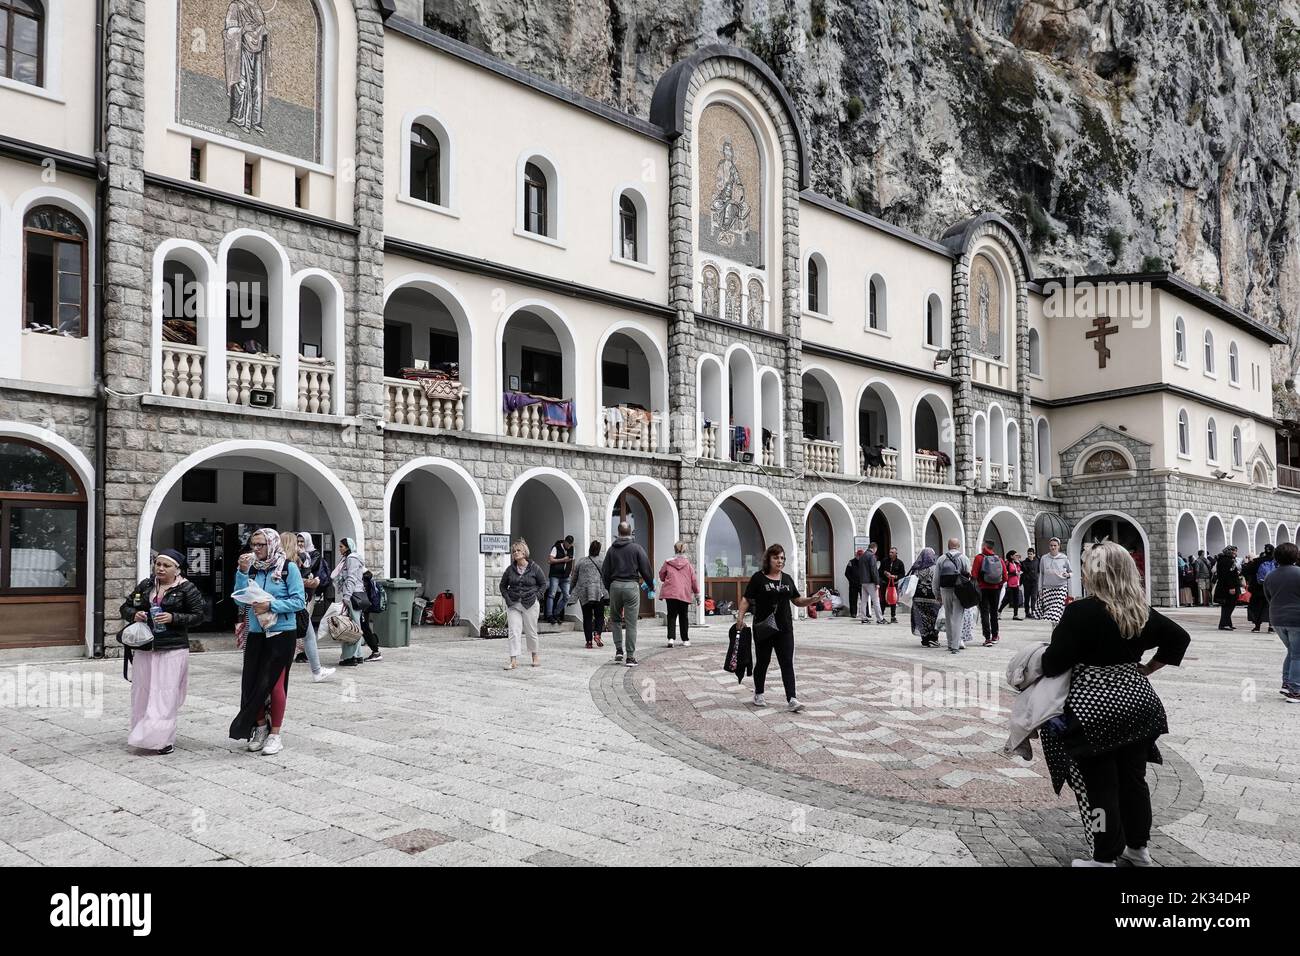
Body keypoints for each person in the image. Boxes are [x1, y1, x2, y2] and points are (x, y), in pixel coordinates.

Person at [1039, 542, 1190, 867]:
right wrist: (1148, 667)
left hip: (1093, 712)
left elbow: (1052, 664)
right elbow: (1180, 637)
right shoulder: (1140, 610)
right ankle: (1138, 850)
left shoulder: (1080, 612)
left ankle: (1103, 857)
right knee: (1134, 781)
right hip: (1138, 705)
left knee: (1099, 789)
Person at [229, 528, 306, 757]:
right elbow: (239, 599)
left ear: (272, 544)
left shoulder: (288, 568)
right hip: (256, 632)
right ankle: (260, 727)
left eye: (261, 544)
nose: (256, 549)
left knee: (273, 683)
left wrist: (271, 606)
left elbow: (298, 602)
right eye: (253, 545)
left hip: (281, 633)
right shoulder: (252, 569)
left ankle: (275, 734)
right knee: (252, 683)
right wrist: (242, 572)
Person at [120, 549, 204, 755]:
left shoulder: (187, 588)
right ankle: (142, 734)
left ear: (177, 570)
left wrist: (173, 618)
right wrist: (135, 614)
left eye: (166, 566)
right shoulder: (146, 585)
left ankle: (163, 739)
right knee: (143, 690)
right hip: (145, 647)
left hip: (172, 648)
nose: (160, 568)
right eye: (158, 564)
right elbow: (125, 607)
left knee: (165, 693)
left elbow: (199, 616)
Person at [736, 544, 826, 712]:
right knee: (763, 661)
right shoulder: (758, 578)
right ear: (768, 559)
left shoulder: (787, 579)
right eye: (776, 557)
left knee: (787, 662)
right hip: (764, 627)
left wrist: (813, 599)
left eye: (782, 558)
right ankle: (759, 693)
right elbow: (746, 599)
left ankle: (792, 698)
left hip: (784, 628)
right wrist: (740, 617)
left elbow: (797, 601)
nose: (780, 561)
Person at [602, 522, 653, 666]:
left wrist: (609, 587)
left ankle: (619, 650)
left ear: (618, 532)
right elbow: (646, 569)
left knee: (616, 619)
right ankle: (630, 657)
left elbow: (605, 572)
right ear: (630, 532)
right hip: (631, 586)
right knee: (631, 624)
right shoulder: (637, 548)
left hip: (615, 586)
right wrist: (650, 586)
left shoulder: (611, 550)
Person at [289, 533, 335, 683]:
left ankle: (315, 669)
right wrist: (310, 582)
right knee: (296, 634)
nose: (300, 543)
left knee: (305, 634)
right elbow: (297, 578)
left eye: (302, 541)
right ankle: (315, 670)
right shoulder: (293, 560)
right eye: (297, 541)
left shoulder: (309, 555)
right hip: (295, 603)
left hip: (302, 600)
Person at [500, 539, 547, 669]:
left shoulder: (534, 568)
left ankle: (534, 656)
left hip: (530, 603)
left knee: (531, 631)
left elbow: (543, 584)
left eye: (518, 550)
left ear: (524, 552)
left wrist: (537, 596)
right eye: (514, 551)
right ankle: (513, 660)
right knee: (514, 631)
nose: (515, 553)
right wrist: (507, 599)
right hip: (514, 604)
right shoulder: (510, 570)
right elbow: (502, 586)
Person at [1262, 542, 1300, 701]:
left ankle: (1286, 684)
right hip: (1297, 618)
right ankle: (1295, 690)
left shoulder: (1270, 575)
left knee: (1292, 651)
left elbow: (1268, 597)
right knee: (1298, 654)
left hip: (1277, 618)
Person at [333, 537, 367, 666]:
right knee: (355, 625)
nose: (340, 549)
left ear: (347, 547)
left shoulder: (351, 558)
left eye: (341, 546)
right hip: (356, 594)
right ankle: (357, 655)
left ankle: (350, 656)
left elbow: (351, 578)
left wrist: (346, 596)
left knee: (349, 627)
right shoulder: (351, 558)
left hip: (352, 595)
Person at [659, 541, 700, 648]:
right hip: (684, 593)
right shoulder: (688, 565)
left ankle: (671, 639)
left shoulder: (668, 562)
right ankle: (685, 640)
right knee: (683, 616)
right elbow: (694, 580)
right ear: (685, 550)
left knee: (671, 616)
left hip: (671, 593)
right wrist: (697, 594)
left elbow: (661, 575)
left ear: (674, 550)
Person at [569, 540, 608, 649]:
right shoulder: (602, 561)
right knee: (599, 616)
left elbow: (574, 578)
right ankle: (597, 634)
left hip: (584, 594)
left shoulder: (581, 562)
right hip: (598, 593)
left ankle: (589, 642)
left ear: (589, 549)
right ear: (599, 550)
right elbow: (606, 577)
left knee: (587, 617)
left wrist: (571, 590)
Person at [936, 538, 971, 654]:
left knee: (948, 616)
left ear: (948, 546)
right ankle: (956, 645)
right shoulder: (963, 558)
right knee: (957, 618)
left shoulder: (941, 558)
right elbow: (968, 575)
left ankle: (950, 643)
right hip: (959, 590)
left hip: (945, 589)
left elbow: (936, 578)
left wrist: (937, 593)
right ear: (958, 546)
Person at [971, 539, 1006, 645]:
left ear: (984, 546)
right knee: (994, 612)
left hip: (982, 589)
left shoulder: (979, 558)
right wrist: (998, 585)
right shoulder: (999, 559)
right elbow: (1005, 576)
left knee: (984, 612)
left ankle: (987, 638)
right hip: (995, 589)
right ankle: (995, 635)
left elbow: (974, 575)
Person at [907, 548, 942, 648]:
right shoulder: (935, 568)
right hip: (933, 597)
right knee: (934, 617)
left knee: (921, 617)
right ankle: (934, 638)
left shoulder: (916, 568)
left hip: (918, 597)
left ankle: (925, 639)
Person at [1039, 537, 1072, 625]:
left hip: (1061, 587)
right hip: (1048, 588)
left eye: (1055, 545)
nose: (1053, 547)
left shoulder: (1064, 558)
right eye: (1051, 545)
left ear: (1059, 546)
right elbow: (1041, 574)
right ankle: (1055, 628)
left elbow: (1071, 572)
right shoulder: (1044, 558)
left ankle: (1057, 628)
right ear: (1049, 547)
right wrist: (1040, 589)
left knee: (1056, 610)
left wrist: (1067, 575)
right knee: (1051, 612)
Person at [544, 535, 575, 625]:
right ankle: (550, 615)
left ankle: (556, 613)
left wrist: (572, 571)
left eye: (570, 545)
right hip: (555, 575)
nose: (568, 546)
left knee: (567, 596)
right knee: (551, 595)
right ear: (564, 542)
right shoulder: (556, 547)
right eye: (567, 544)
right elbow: (550, 560)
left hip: (565, 577)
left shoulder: (572, 549)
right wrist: (562, 560)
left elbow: (573, 560)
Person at [1247, 544, 1276, 633]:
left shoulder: (1257, 561)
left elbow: (1248, 571)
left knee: (1257, 606)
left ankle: (1257, 626)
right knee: (1271, 607)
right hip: (1272, 588)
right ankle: (1271, 626)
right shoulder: (1276, 561)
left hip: (1258, 588)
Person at [1214, 546, 1241, 631]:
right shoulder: (1228, 561)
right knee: (1229, 606)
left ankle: (1227, 623)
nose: (1236, 554)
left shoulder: (1222, 560)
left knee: (1227, 606)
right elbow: (1229, 575)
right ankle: (1224, 624)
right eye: (1234, 552)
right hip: (1228, 587)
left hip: (1224, 586)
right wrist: (1232, 587)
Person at [857, 543, 884, 625]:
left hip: (863, 582)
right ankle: (880, 618)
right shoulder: (871, 556)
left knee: (864, 601)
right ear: (874, 548)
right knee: (876, 600)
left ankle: (863, 618)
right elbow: (874, 570)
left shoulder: (862, 556)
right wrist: (877, 582)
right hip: (870, 582)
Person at [360, 569, 383, 662]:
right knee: (364, 628)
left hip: (362, 607)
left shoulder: (362, 580)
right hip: (365, 606)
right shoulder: (366, 578)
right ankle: (375, 649)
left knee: (364, 628)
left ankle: (375, 651)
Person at [879, 546, 906, 624]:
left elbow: (902, 574)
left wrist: (895, 576)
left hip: (894, 584)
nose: (890, 554)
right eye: (890, 552)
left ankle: (893, 616)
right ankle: (881, 615)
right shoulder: (884, 561)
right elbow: (879, 571)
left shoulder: (900, 563)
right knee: (883, 599)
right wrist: (885, 572)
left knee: (893, 600)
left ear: (896, 554)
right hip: (885, 583)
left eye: (892, 553)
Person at [999, 550, 1023, 620]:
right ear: (1011, 556)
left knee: (1016, 599)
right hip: (1010, 583)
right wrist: (1014, 573)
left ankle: (1015, 615)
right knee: (1008, 599)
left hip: (1016, 583)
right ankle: (999, 611)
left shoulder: (1016, 563)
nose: (1017, 557)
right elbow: (1005, 572)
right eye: (1015, 555)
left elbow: (1021, 570)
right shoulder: (1007, 563)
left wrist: (1019, 563)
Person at [1021, 547, 1040, 619]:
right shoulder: (1024, 562)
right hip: (1027, 582)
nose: (1029, 555)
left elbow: (1039, 570)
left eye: (1031, 554)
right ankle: (1027, 612)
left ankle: (1033, 611)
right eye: (1028, 554)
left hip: (1035, 582)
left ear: (1034, 554)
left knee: (1034, 597)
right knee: (1026, 598)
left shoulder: (1037, 561)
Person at [844, 549, 863, 618]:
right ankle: (853, 613)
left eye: (861, 556)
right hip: (853, 584)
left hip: (862, 584)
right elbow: (847, 573)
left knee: (864, 599)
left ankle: (865, 613)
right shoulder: (851, 562)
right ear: (856, 555)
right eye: (858, 555)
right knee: (853, 599)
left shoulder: (864, 563)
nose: (859, 557)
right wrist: (851, 581)